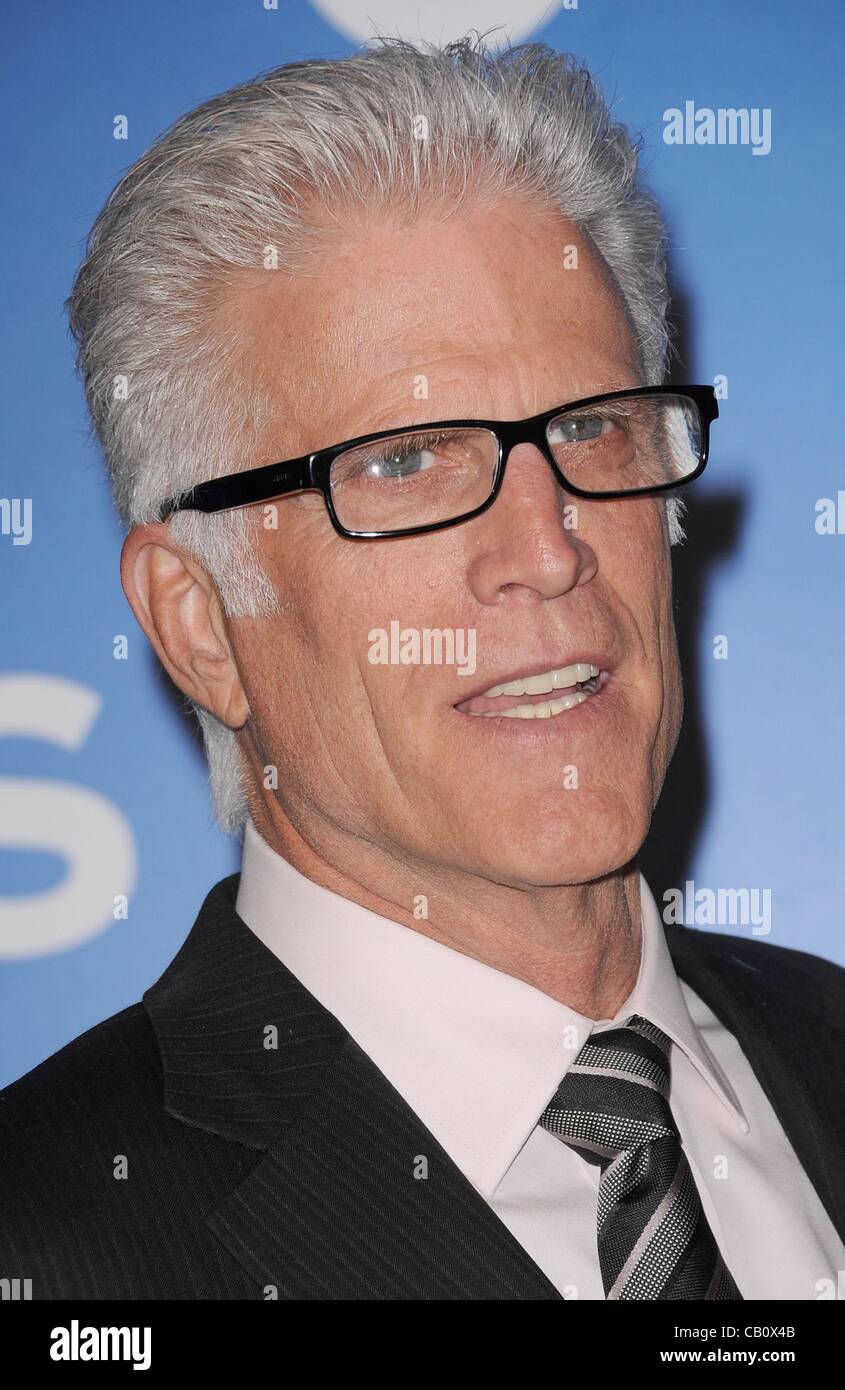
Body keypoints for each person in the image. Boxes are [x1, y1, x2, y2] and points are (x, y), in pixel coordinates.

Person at [1, 35, 842, 1301]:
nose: (547, 549)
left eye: (592, 429)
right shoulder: (45, 1243)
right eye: (404, 462)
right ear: (198, 624)